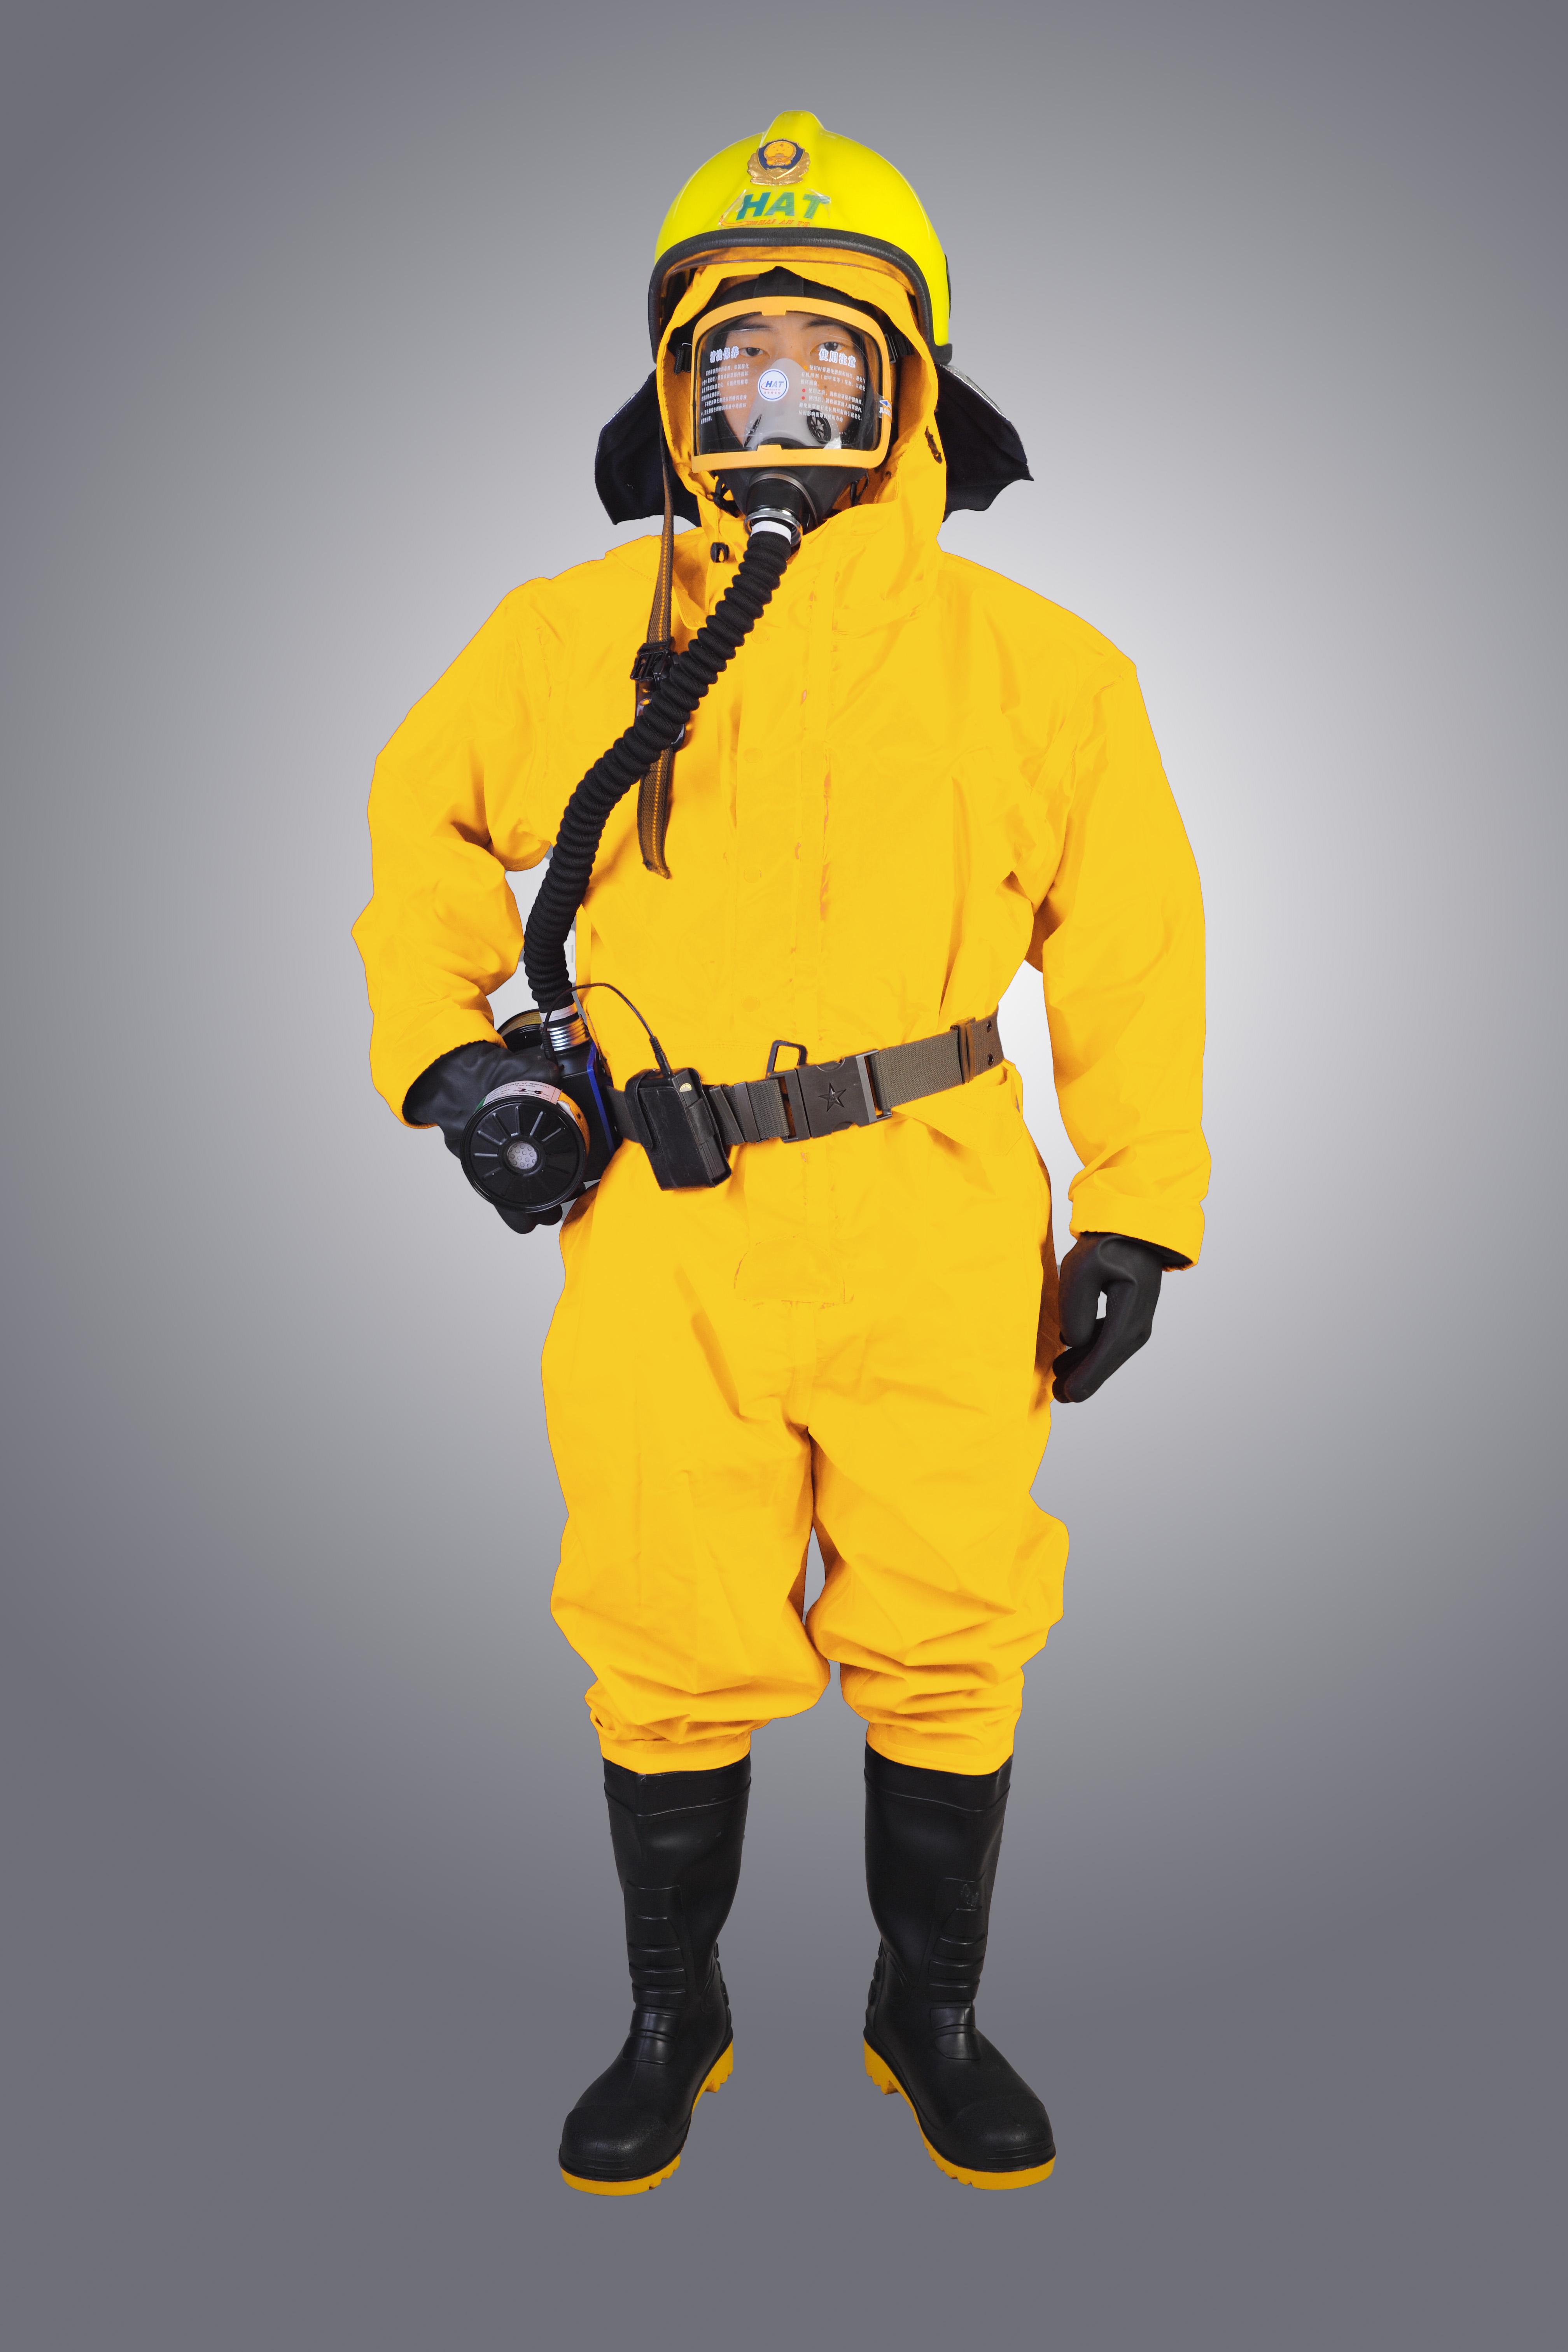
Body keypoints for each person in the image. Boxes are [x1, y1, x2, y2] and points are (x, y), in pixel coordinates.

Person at [353, 110, 1208, 2197]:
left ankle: (931, 2017)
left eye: (833, 354)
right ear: (676, 388)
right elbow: (421, 829)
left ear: (912, 384)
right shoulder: (571, 640)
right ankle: (678, 2018)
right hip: (673, 1227)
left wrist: (1140, 1209)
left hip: (938, 1213)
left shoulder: (1041, 670)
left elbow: (1138, 942)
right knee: (661, 1614)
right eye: (738, 356)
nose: (786, 397)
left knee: (953, 1616)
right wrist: (456, 1069)